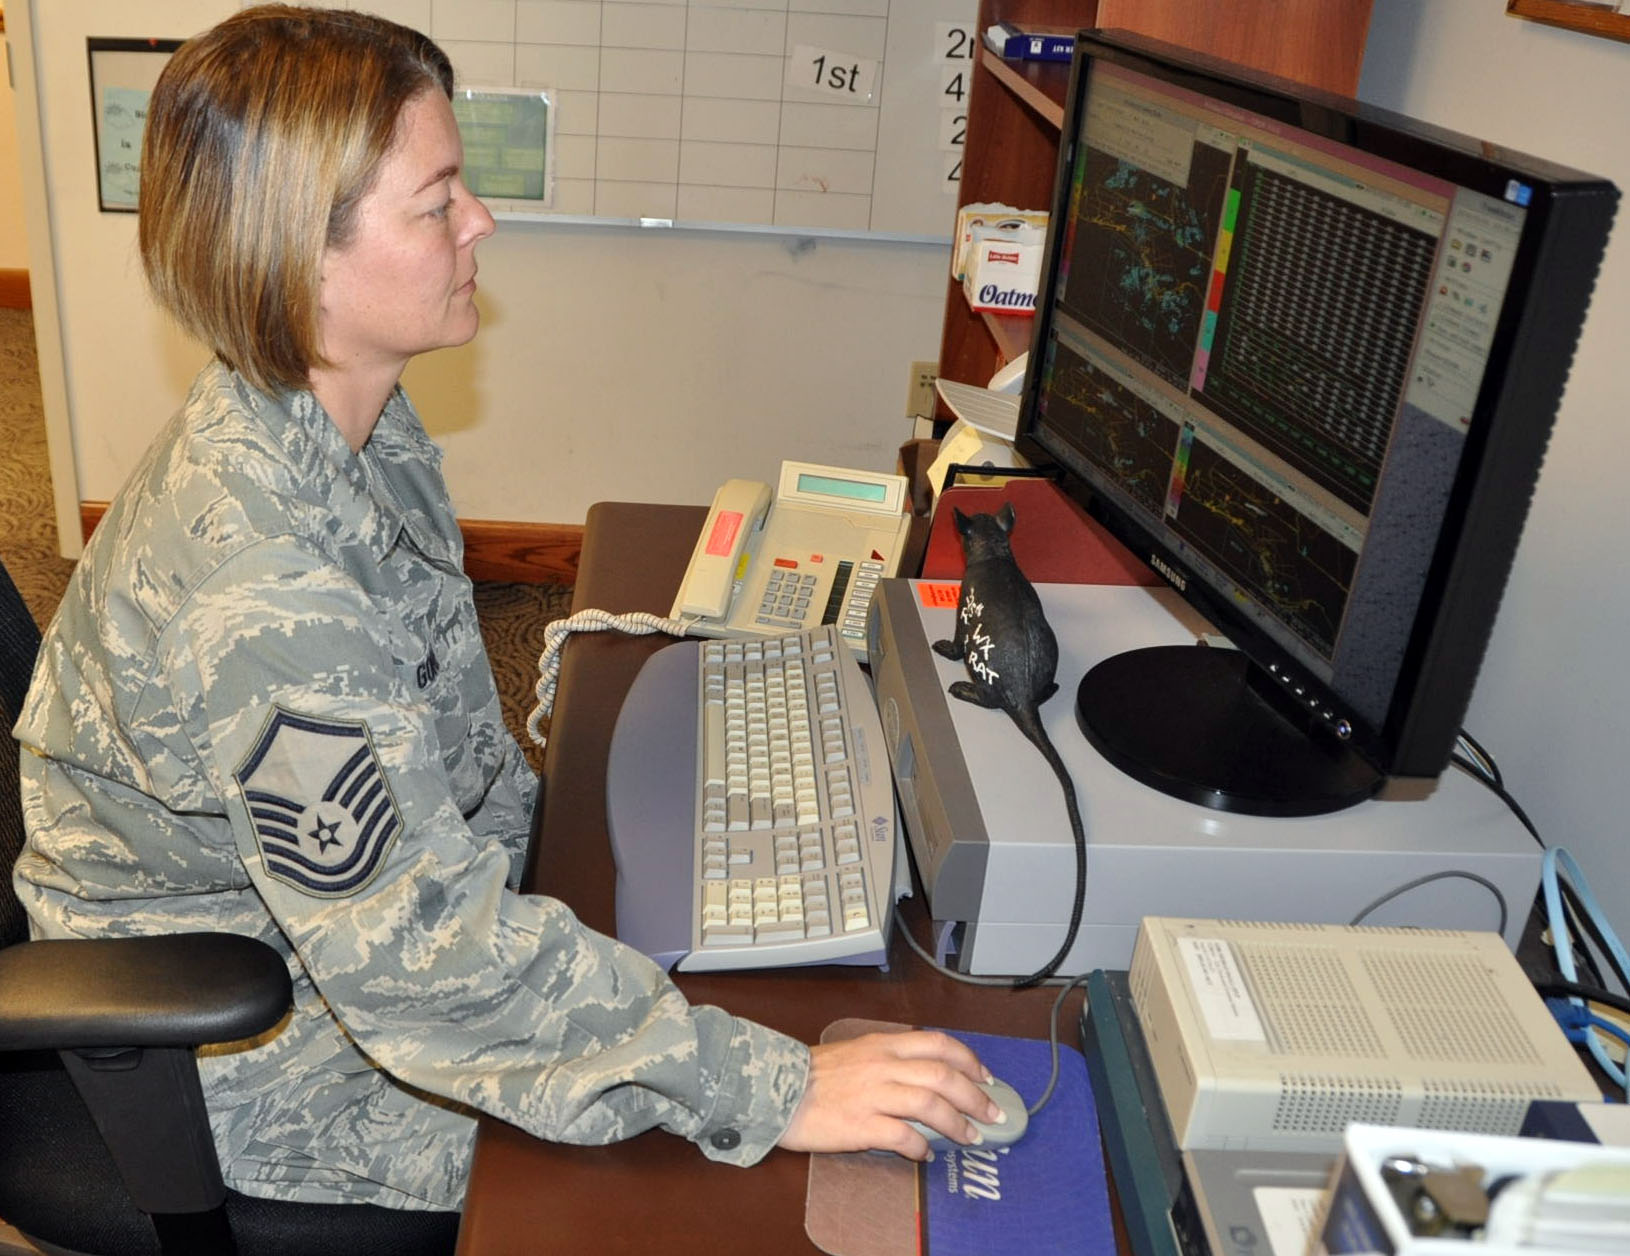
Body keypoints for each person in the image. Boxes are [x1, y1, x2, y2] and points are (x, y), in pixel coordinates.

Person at [11, 4, 999, 1215]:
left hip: (345, 931)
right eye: (437, 203)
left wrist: (586, 871)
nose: (481, 219)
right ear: (299, 256)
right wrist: (776, 1084)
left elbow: (438, 748)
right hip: (237, 1038)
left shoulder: (349, 419)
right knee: (662, 1197)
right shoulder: (259, 590)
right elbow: (422, 975)